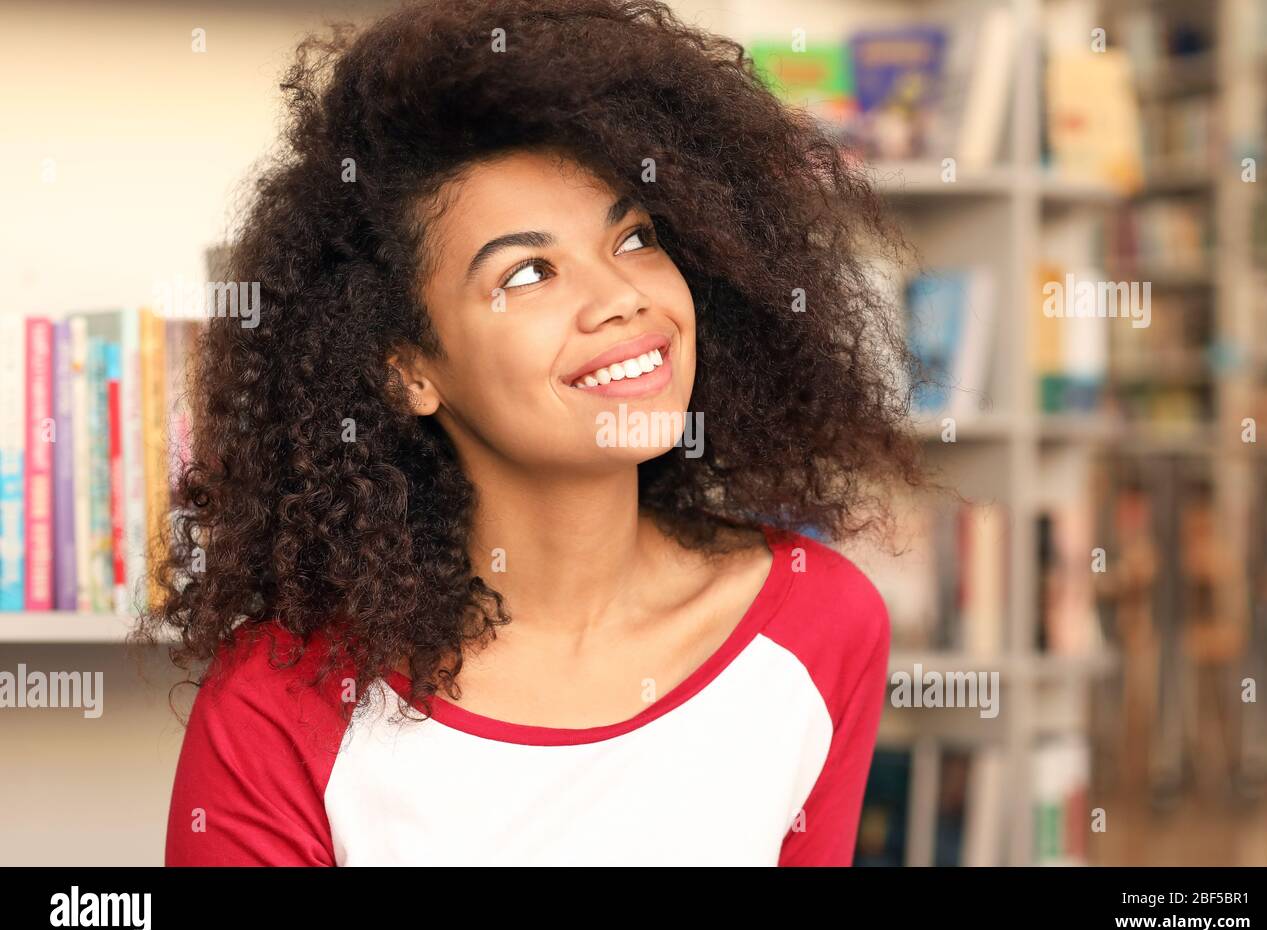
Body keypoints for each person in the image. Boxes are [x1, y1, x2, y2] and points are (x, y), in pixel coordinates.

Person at [139, 0, 926, 866]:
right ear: (408, 370)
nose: (623, 297)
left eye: (634, 237)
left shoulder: (821, 625)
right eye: (529, 272)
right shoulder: (278, 705)